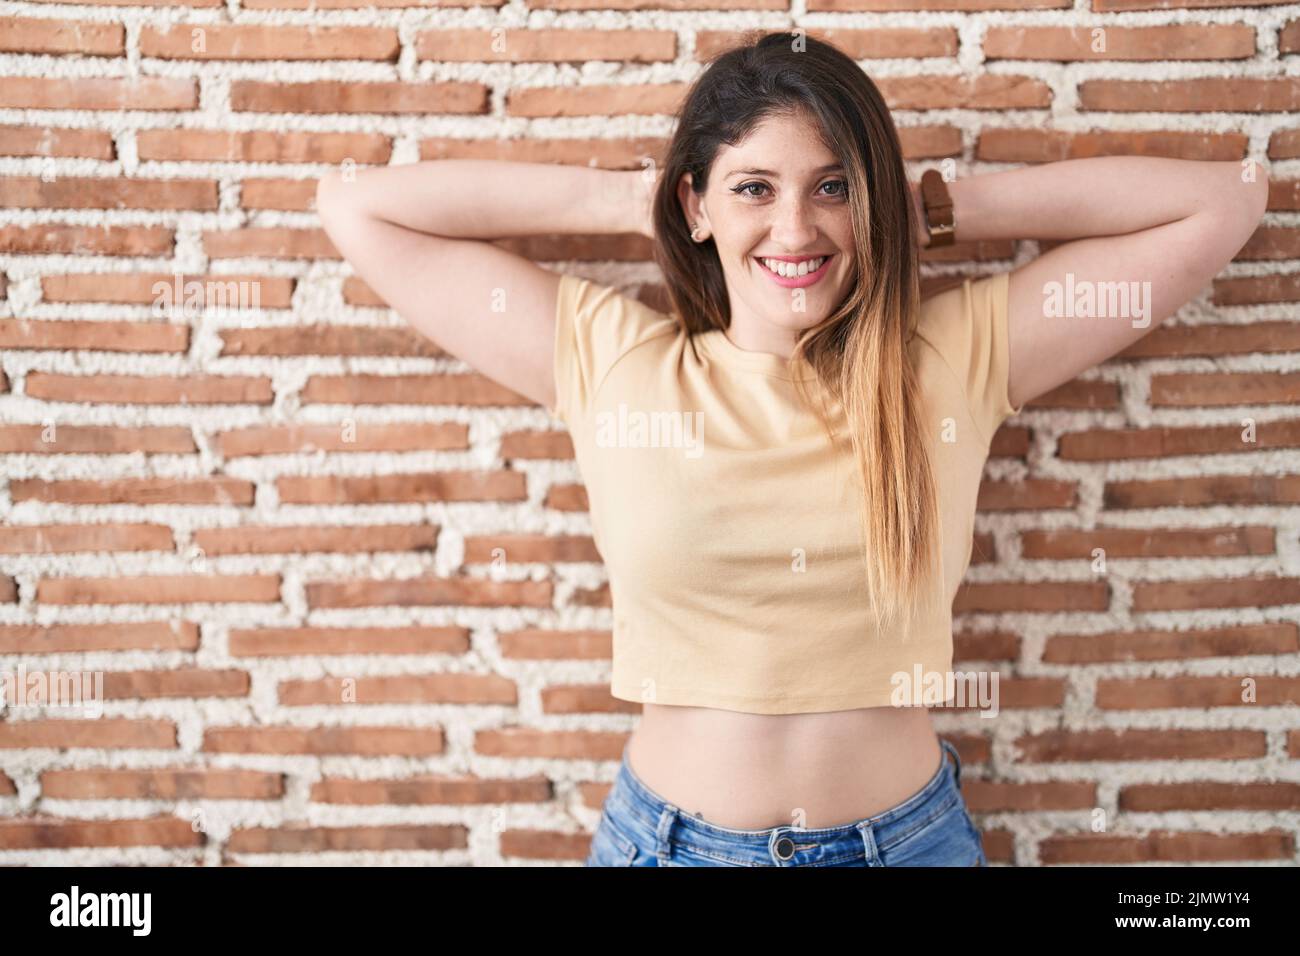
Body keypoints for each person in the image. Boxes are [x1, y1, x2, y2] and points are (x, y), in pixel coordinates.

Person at [315, 31, 1268, 867]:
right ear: (700, 205)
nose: (796, 228)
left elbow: (1225, 202)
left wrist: (928, 205)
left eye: (833, 188)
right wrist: (634, 201)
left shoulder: (948, 359)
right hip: (668, 848)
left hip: (903, 847)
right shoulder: (609, 360)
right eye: (753, 190)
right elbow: (359, 210)